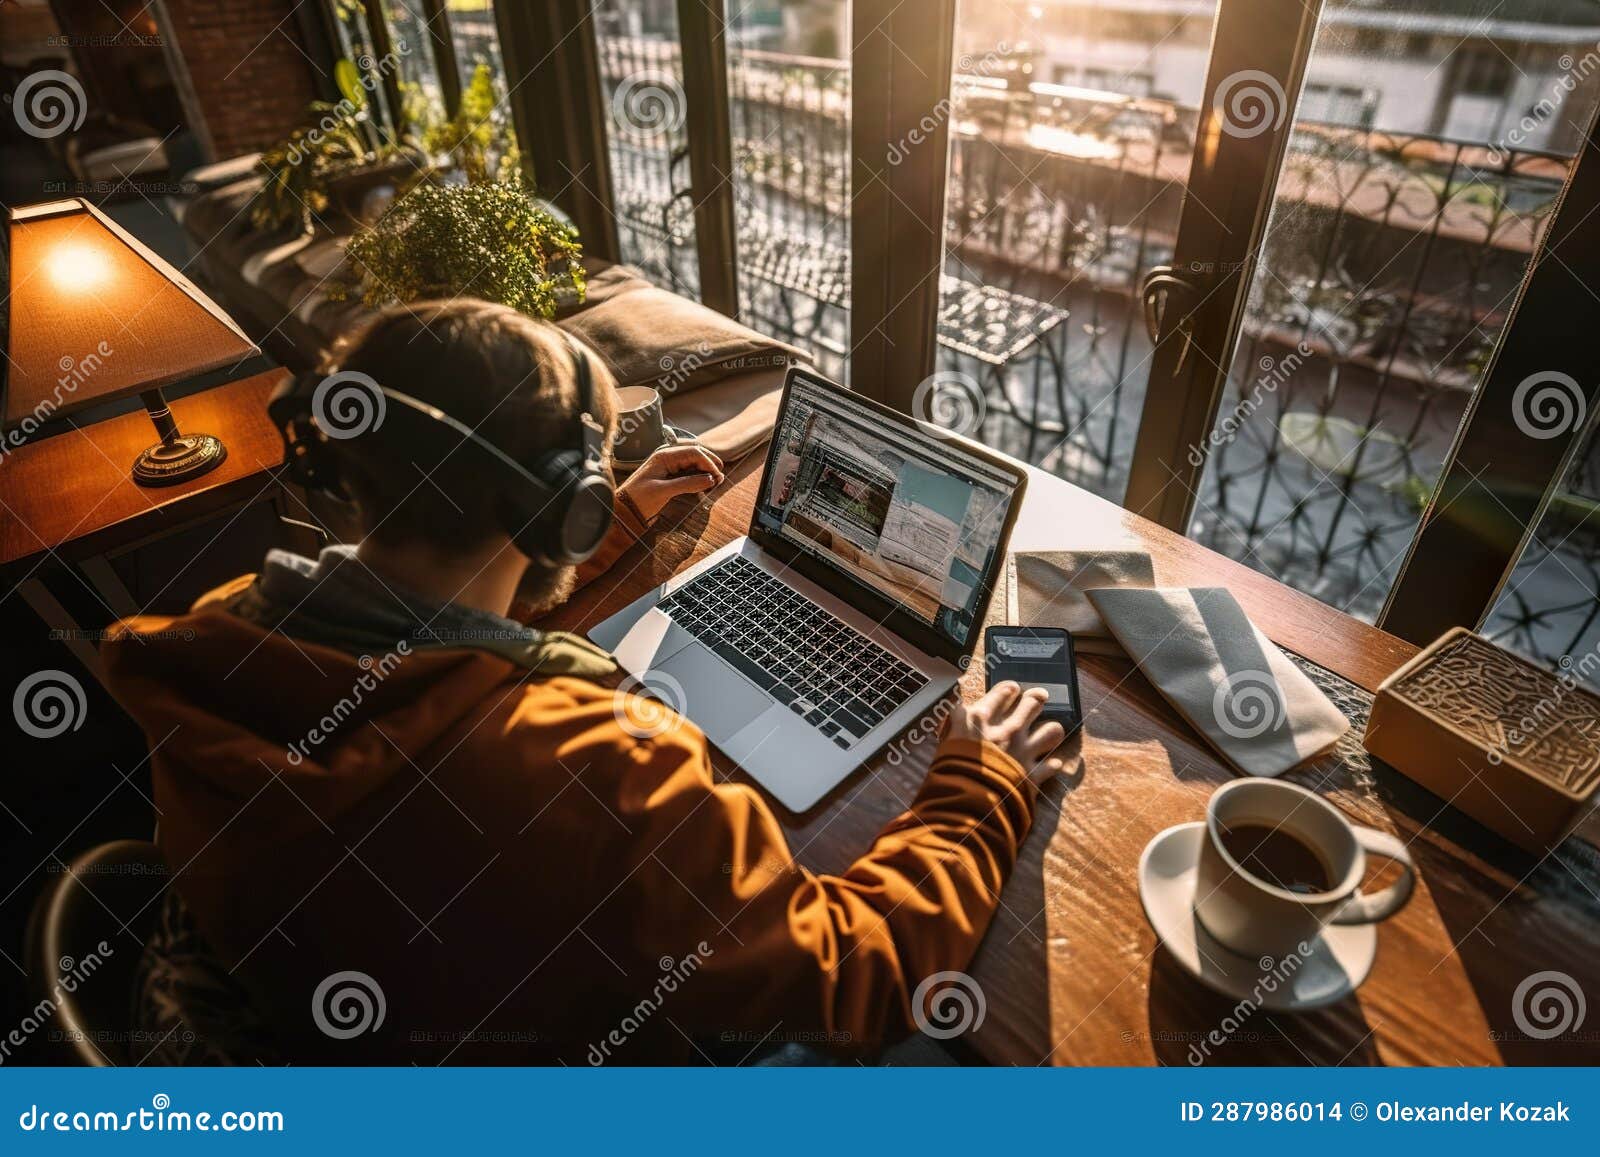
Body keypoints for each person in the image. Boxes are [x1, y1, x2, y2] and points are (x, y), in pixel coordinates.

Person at [102, 298, 1066, 1064]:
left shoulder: (220, 636)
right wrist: (980, 780)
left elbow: (431, 646)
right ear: (563, 510)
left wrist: (608, 536)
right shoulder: (598, 770)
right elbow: (862, 982)